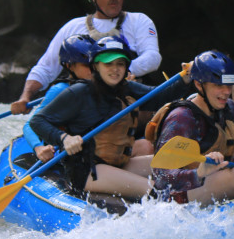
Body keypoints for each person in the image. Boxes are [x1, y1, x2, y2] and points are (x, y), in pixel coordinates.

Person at [29, 35, 192, 200]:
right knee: (158, 192)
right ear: (96, 66)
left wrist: (185, 78)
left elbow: (160, 96)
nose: (115, 69)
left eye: (120, 64)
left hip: (118, 162)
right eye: (108, 63)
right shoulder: (78, 92)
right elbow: (38, 121)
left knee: (180, 163)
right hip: (89, 170)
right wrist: (64, 138)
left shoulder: (126, 88)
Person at [10, 0, 162, 114]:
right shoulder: (73, 27)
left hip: (129, 100)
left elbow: (153, 57)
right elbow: (46, 68)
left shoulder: (139, 21)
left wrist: (119, 72)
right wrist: (26, 96)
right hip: (86, 105)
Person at [149, 51, 234, 206]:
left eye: (228, 85)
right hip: (172, 199)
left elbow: (231, 153)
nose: (226, 92)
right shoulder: (182, 118)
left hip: (207, 186)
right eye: (218, 85)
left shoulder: (228, 108)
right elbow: (161, 178)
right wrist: (199, 173)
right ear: (199, 84)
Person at [22, 34, 96, 162]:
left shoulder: (104, 87)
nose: (92, 70)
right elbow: (30, 124)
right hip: (65, 150)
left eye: (95, 64)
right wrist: (39, 148)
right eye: (86, 65)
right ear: (69, 66)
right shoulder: (60, 90)